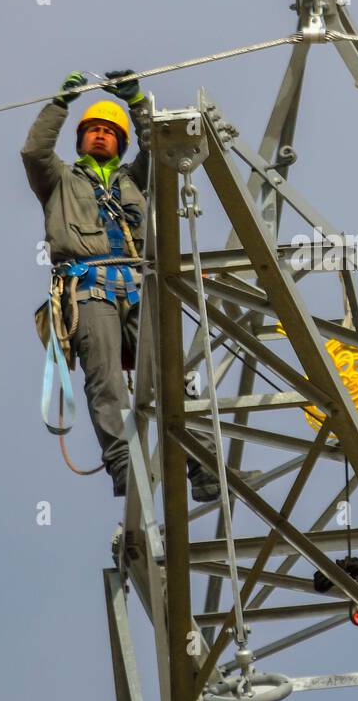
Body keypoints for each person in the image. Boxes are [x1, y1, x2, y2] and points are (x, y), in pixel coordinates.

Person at [22, 70, 220, 502]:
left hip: (140, 287)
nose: (99, 136)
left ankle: (202, 466)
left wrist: (136, 103)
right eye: (92, 130)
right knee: (106, 381)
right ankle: (124, 467)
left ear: (121, 142)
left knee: (174, 378)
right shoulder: (61, 182)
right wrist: (61, 103)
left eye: (108, 132)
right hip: (90, 290)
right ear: (80, 141)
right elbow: (34, 151)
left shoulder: (137, 178)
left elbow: (159, 145)